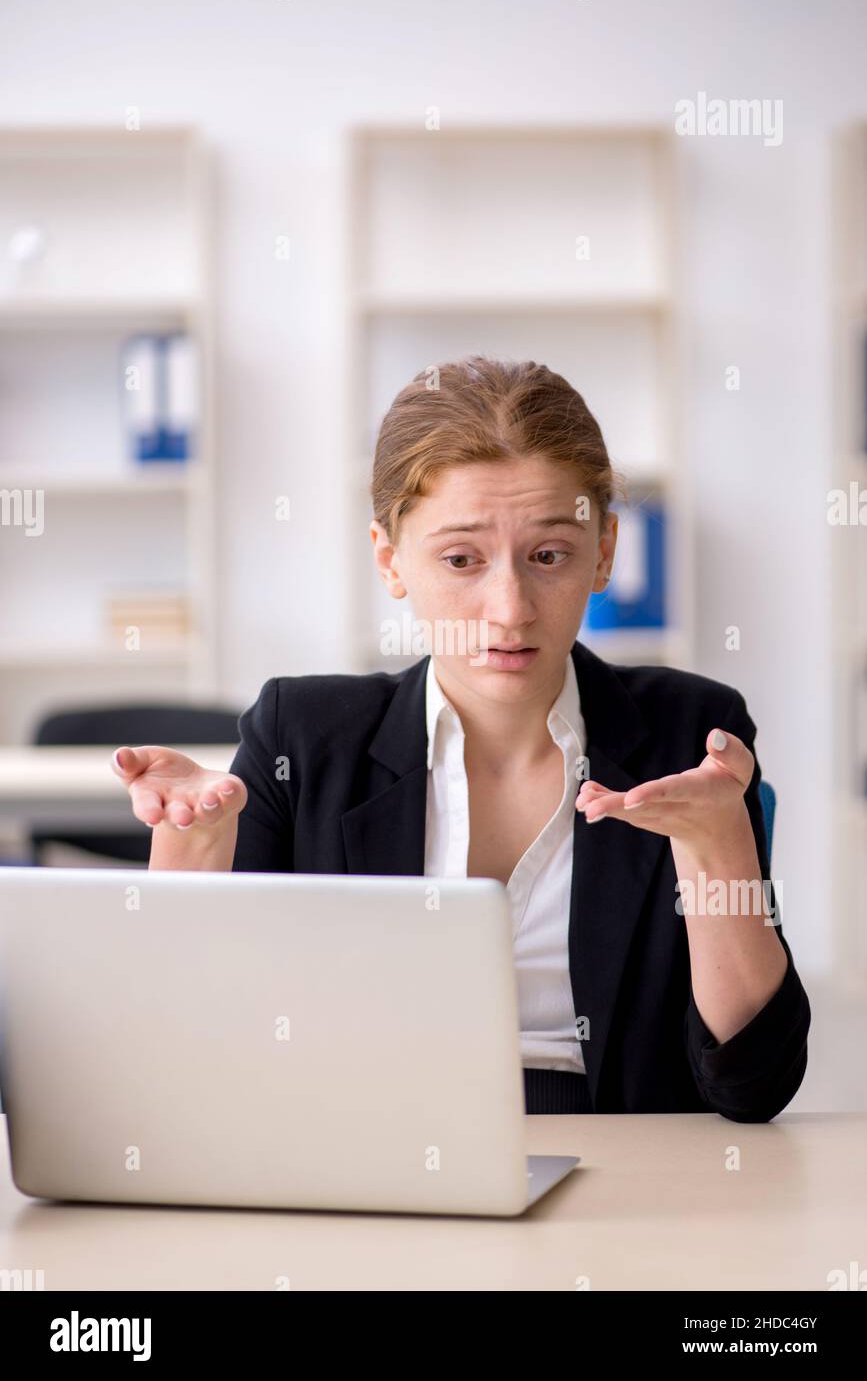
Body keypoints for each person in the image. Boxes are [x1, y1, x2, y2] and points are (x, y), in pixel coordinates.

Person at [112, 356, 810, 1119]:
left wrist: (715, 851)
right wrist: (191, 845)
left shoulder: (690, 733)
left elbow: (753, 1088)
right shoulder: (301, 737)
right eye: (460, 560)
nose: (508, 610)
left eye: (549, 556)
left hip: (623, 1180)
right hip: (362, 1160)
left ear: (603, 551)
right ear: (389, 559)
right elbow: (189, 1064)